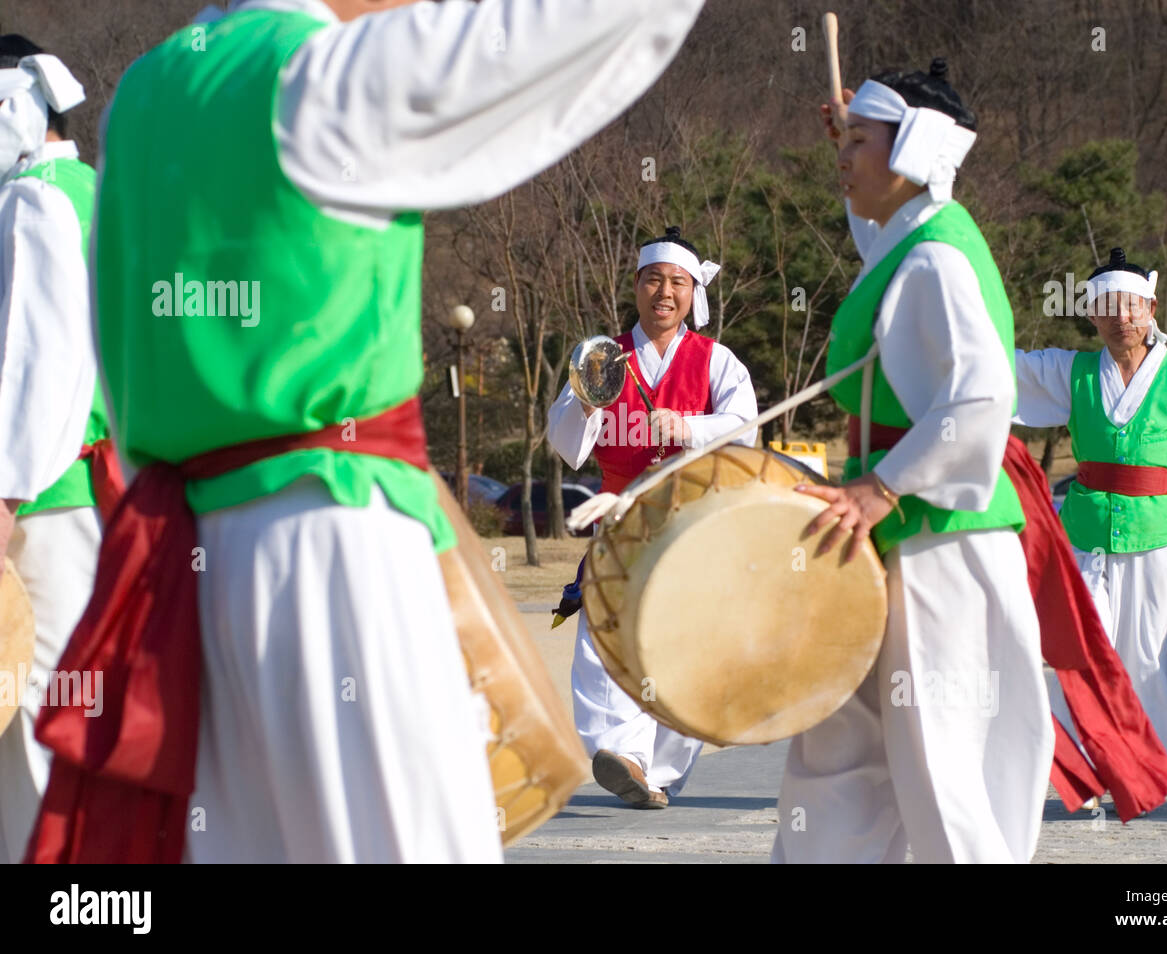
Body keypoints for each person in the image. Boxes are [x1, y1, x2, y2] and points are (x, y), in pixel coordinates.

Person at [27, 0, 705, 864]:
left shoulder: (144, 91)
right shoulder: (327, 72)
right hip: (333, 536)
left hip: (179, 555)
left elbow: (115, 338)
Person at [773, 61, 1054, 863]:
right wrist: (856, 131)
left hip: (940, 543)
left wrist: (877, 486)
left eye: (859, 142)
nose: (843, 156)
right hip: (902, 539)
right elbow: (882, 231)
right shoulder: (911, 244)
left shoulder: (938, 261)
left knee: (939, 773)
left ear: (916, 150)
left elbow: (980, 399)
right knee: (841, 757)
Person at [547, 226, 757, 808]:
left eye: (678, 283)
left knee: (689, 650)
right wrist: (587, 401)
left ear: (693, 293)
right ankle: (625, 756)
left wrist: (689, 427)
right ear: (636, 286)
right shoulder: (603, 358)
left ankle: (657, 771)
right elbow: (567, 445)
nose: (664, 293)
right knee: (606, 639)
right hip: (622, 522)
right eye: (654, 280)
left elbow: (748, 429)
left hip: (695, 525)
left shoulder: (717, 361)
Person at [1015, 247, 1167, 770]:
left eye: (1131, 305)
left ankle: (1147, 768)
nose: (1121, 316)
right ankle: (1090, 768)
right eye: (1108, 306)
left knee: (1151, 661)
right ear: (1092, 314)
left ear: (1151, 309)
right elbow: (1003, 370)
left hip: (1160, 540)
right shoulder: (1071, 373)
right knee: (1085, 652)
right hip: (1087, 537)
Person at [0, 38, 120, 864]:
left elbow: (35, 368)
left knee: (34, 727)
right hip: (91, 492)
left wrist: (4, 497)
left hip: (41, 502)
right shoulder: (97, 191)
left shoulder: (35, 198)